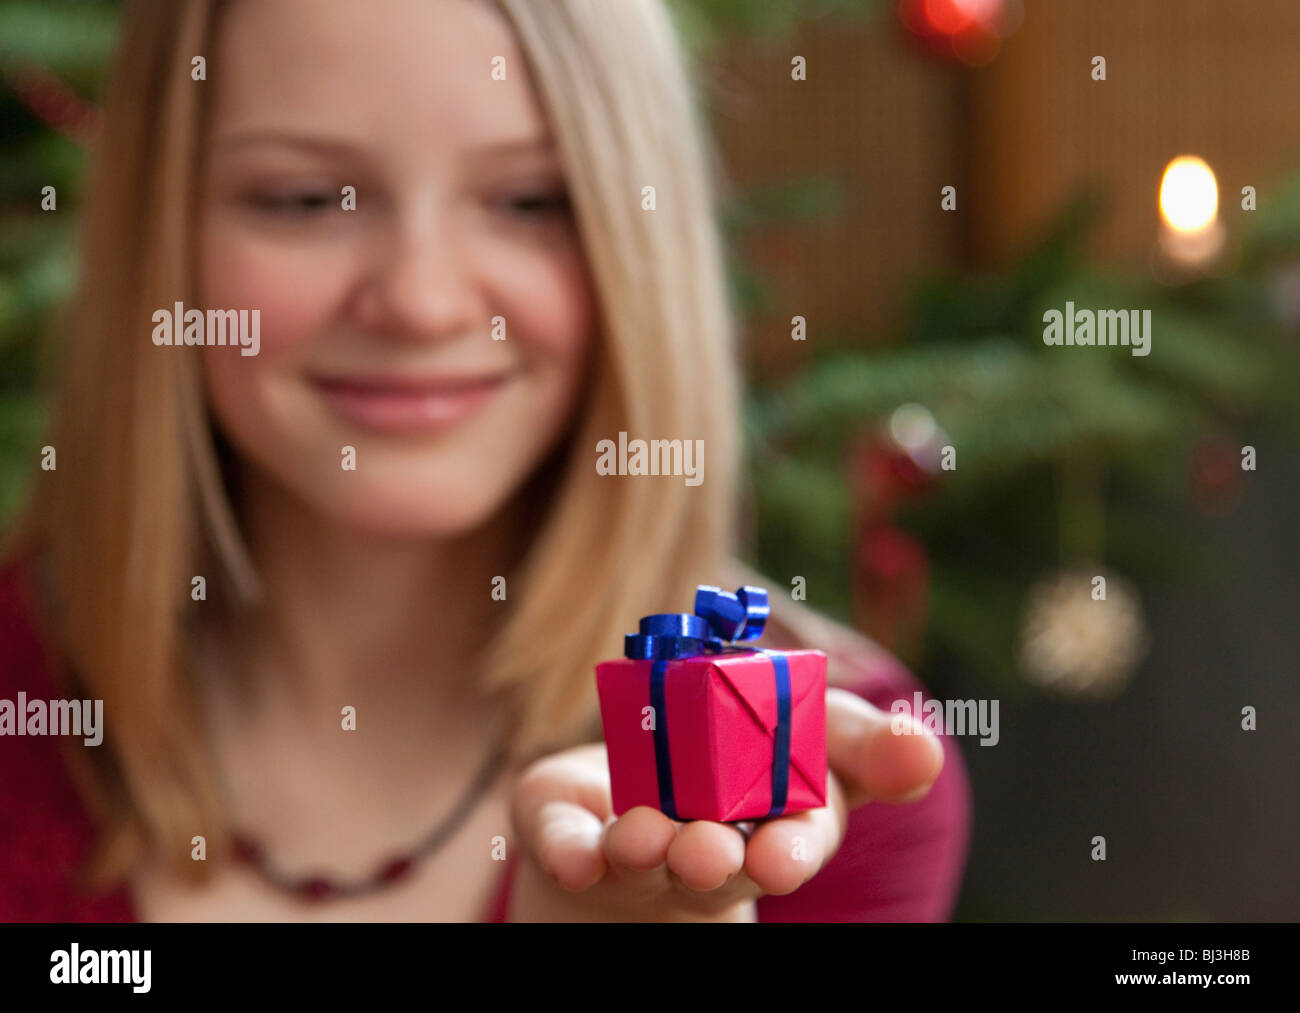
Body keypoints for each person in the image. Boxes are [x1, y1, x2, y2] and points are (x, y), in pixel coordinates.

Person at [0, 0, 970, 922]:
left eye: (528, 199)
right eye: (302, 198)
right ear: (158, 240)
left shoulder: (836, 784)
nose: (421, 301)